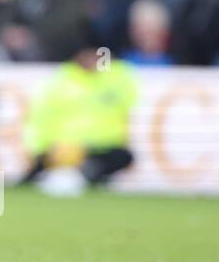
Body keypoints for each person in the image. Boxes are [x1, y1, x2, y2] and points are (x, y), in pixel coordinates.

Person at [18, 29, 138, 187]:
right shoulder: (62, 79)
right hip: (64, 147)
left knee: (122, 157)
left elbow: (129, 110)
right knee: (58, 158)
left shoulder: (117, 76)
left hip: (101, 148)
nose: (90, 60)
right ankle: (82, 174)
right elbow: (41, 117)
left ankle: (87, 173)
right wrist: (41, 148)